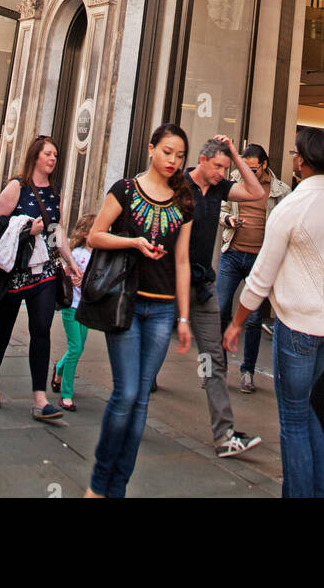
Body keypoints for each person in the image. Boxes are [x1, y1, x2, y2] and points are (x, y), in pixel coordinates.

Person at [223, 126, 324, 498]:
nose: (294, 159)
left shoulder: (291, 206)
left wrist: (237, 322)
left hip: (297, 326)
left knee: (293, 421)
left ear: (303, 161)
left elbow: (261, 277)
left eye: (296, 154)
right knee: (303, 414)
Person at [84, 123, 193, 498]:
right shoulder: (125, 190)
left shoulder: (184, 201)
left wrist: (183, 317)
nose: (173, 161)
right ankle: (98, 483)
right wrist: (134, 242)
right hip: (126, 303)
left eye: (180, 156)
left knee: (142, 397)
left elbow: (183, 261)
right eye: (167, 152)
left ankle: (118, 487)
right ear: (151, 149)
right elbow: (95, 235)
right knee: (127, 393)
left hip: (162, 310)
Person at [0, 135, 82, 420]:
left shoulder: (55, 190)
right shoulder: (17, 187)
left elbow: (56, 230)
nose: (53, 159)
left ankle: (40, 399)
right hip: (14, 271)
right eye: (48, 154)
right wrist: (27, 230)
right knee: (2, 329)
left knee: (41, 330)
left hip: (44, 270)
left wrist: (71, 261)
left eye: (55, 155)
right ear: (35, 156)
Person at [185, 134, 264, 457]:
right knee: (153, 350)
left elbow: (256, 192)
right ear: (202, 161)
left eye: (225, 167)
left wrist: (233, 152)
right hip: (170, 283)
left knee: (214, 358)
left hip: (202, 285)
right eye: (217, 166)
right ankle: (132, 409)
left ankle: (225, 435)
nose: (221, 173)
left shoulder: (219, 188)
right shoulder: (180, 185)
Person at [217, 143, 290, 393]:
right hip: (232, 254)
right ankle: (218, 369)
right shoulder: (233, 182)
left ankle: (247, 371)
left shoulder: (281, 191)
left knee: (254, 318)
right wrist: (228, 219)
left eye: (253, 169)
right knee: (220, 309)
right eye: (244, 168)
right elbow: (220, 208)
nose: (248, 173)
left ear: (264, 165)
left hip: (260, 260)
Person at [51, 211, 94, 410]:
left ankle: (59, 369)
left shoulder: (99, 256)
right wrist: (72, 277)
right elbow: (65, 274)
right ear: (86, 233)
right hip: (71, 307)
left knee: (79, 347)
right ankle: (66, 394)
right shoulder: (77, 254)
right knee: (75, 348)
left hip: (86, 308)